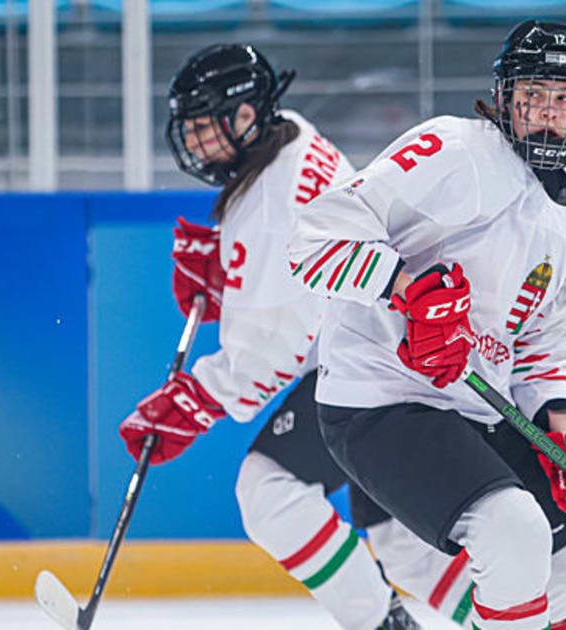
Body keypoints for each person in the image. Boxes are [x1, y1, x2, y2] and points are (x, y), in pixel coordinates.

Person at [287, 21, 566, 630]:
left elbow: (541, 345)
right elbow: (317, 235)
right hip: (378, 399)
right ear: (505, 99)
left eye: (565, 99)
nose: (548, 115)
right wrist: (406, 290)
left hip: (475, 409)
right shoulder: (454, 151)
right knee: (515, 534)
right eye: (534, 96)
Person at [116, 43, 469, 630]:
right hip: (390, 346)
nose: (196, 143)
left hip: (368, 361)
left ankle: (382, 623)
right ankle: (507, 620)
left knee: (269, 491)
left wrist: (195, 400)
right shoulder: (293, 135)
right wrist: (234, 267)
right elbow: (293, 279)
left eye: (207, 127)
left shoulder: (270, 203)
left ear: (248, 115)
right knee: (400, 536)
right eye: (193, 129)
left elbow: (269, 353)